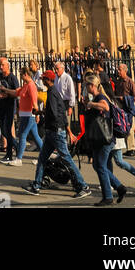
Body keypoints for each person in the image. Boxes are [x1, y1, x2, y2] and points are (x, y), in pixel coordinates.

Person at [26, 69, 91, 198]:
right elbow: (61, 113)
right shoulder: (55, 92)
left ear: (48, 80)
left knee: (66, 159)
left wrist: (42, 114)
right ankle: (36, 185)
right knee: (42, 159)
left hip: (55, 131)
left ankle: (83, 186)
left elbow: (55, 114)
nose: (43, 81)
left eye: (44, 79)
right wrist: (67, 129)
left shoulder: (52, 94)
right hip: (53, 132)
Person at [83, 72, 127, 207]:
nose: (85, 87)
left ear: (92, 85)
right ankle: (119, 187)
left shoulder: (101, 97)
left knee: (101, 166)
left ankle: (108, 196)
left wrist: (91, 104)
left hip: (104, 138)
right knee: (97, 165)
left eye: (86, 84)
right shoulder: (96, 96)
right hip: (98, 138)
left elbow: (105, 106)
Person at [3, 66, 42, 165]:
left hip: (29, 115)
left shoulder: (31, 86)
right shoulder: (26, 85)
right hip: (25, 115)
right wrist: (5, 89)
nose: (20, 76)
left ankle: (19, 159)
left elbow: (34, 101)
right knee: (36, 136)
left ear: (26, 74)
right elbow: (16, 92)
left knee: (22, 135)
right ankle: (47, 155)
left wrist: (37, 114)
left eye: (21, 74)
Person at [0, 56, 19, 160]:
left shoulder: (12, 77)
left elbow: (17, 92)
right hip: (0, 106)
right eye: (0, 64)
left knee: (7, 129)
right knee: (3, 131)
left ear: (8, 66)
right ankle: (16, 147)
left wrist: (6, 94)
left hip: (9, 106)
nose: (0, 66)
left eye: (2, 65)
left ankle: (10, 154)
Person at [114, 61, 135, 154]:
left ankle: (132, 148)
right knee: (124, 126)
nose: (118, 71)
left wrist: (125, 98)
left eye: (120, 70)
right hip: (121, 106)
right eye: (118, 70)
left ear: (125, 71)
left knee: (130, 127)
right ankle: (128, 147)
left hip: (129, 106)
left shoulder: (130, 81)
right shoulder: (118, 81)